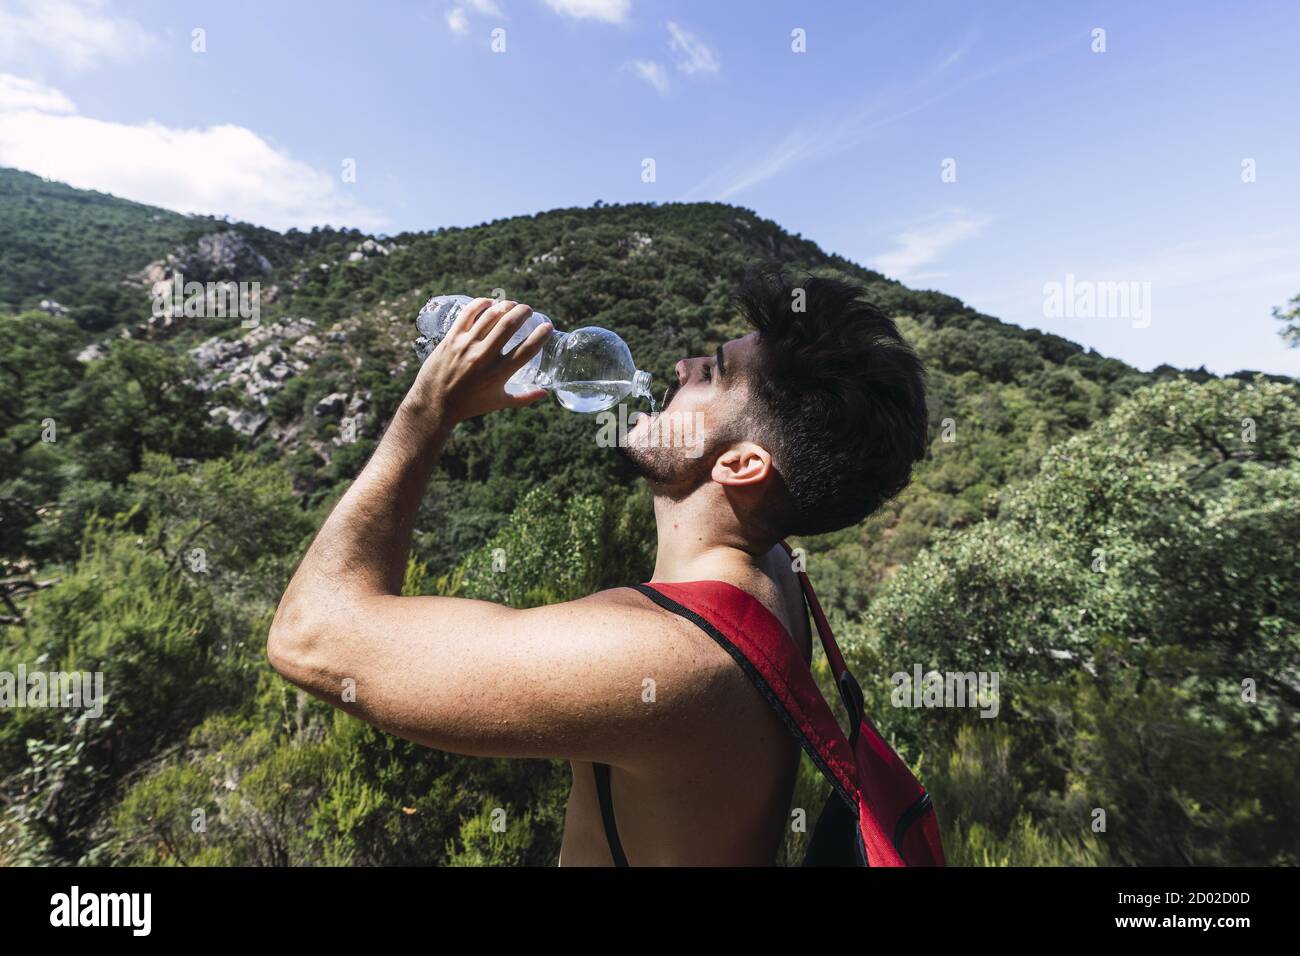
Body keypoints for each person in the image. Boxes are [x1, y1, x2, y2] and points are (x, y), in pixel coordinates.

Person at [267, 267, 929, 865]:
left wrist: (427, 412)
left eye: (713, 374)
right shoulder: (773, 571)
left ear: (741, 466)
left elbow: (310, 637)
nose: (679, 367)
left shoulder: (668, 660)